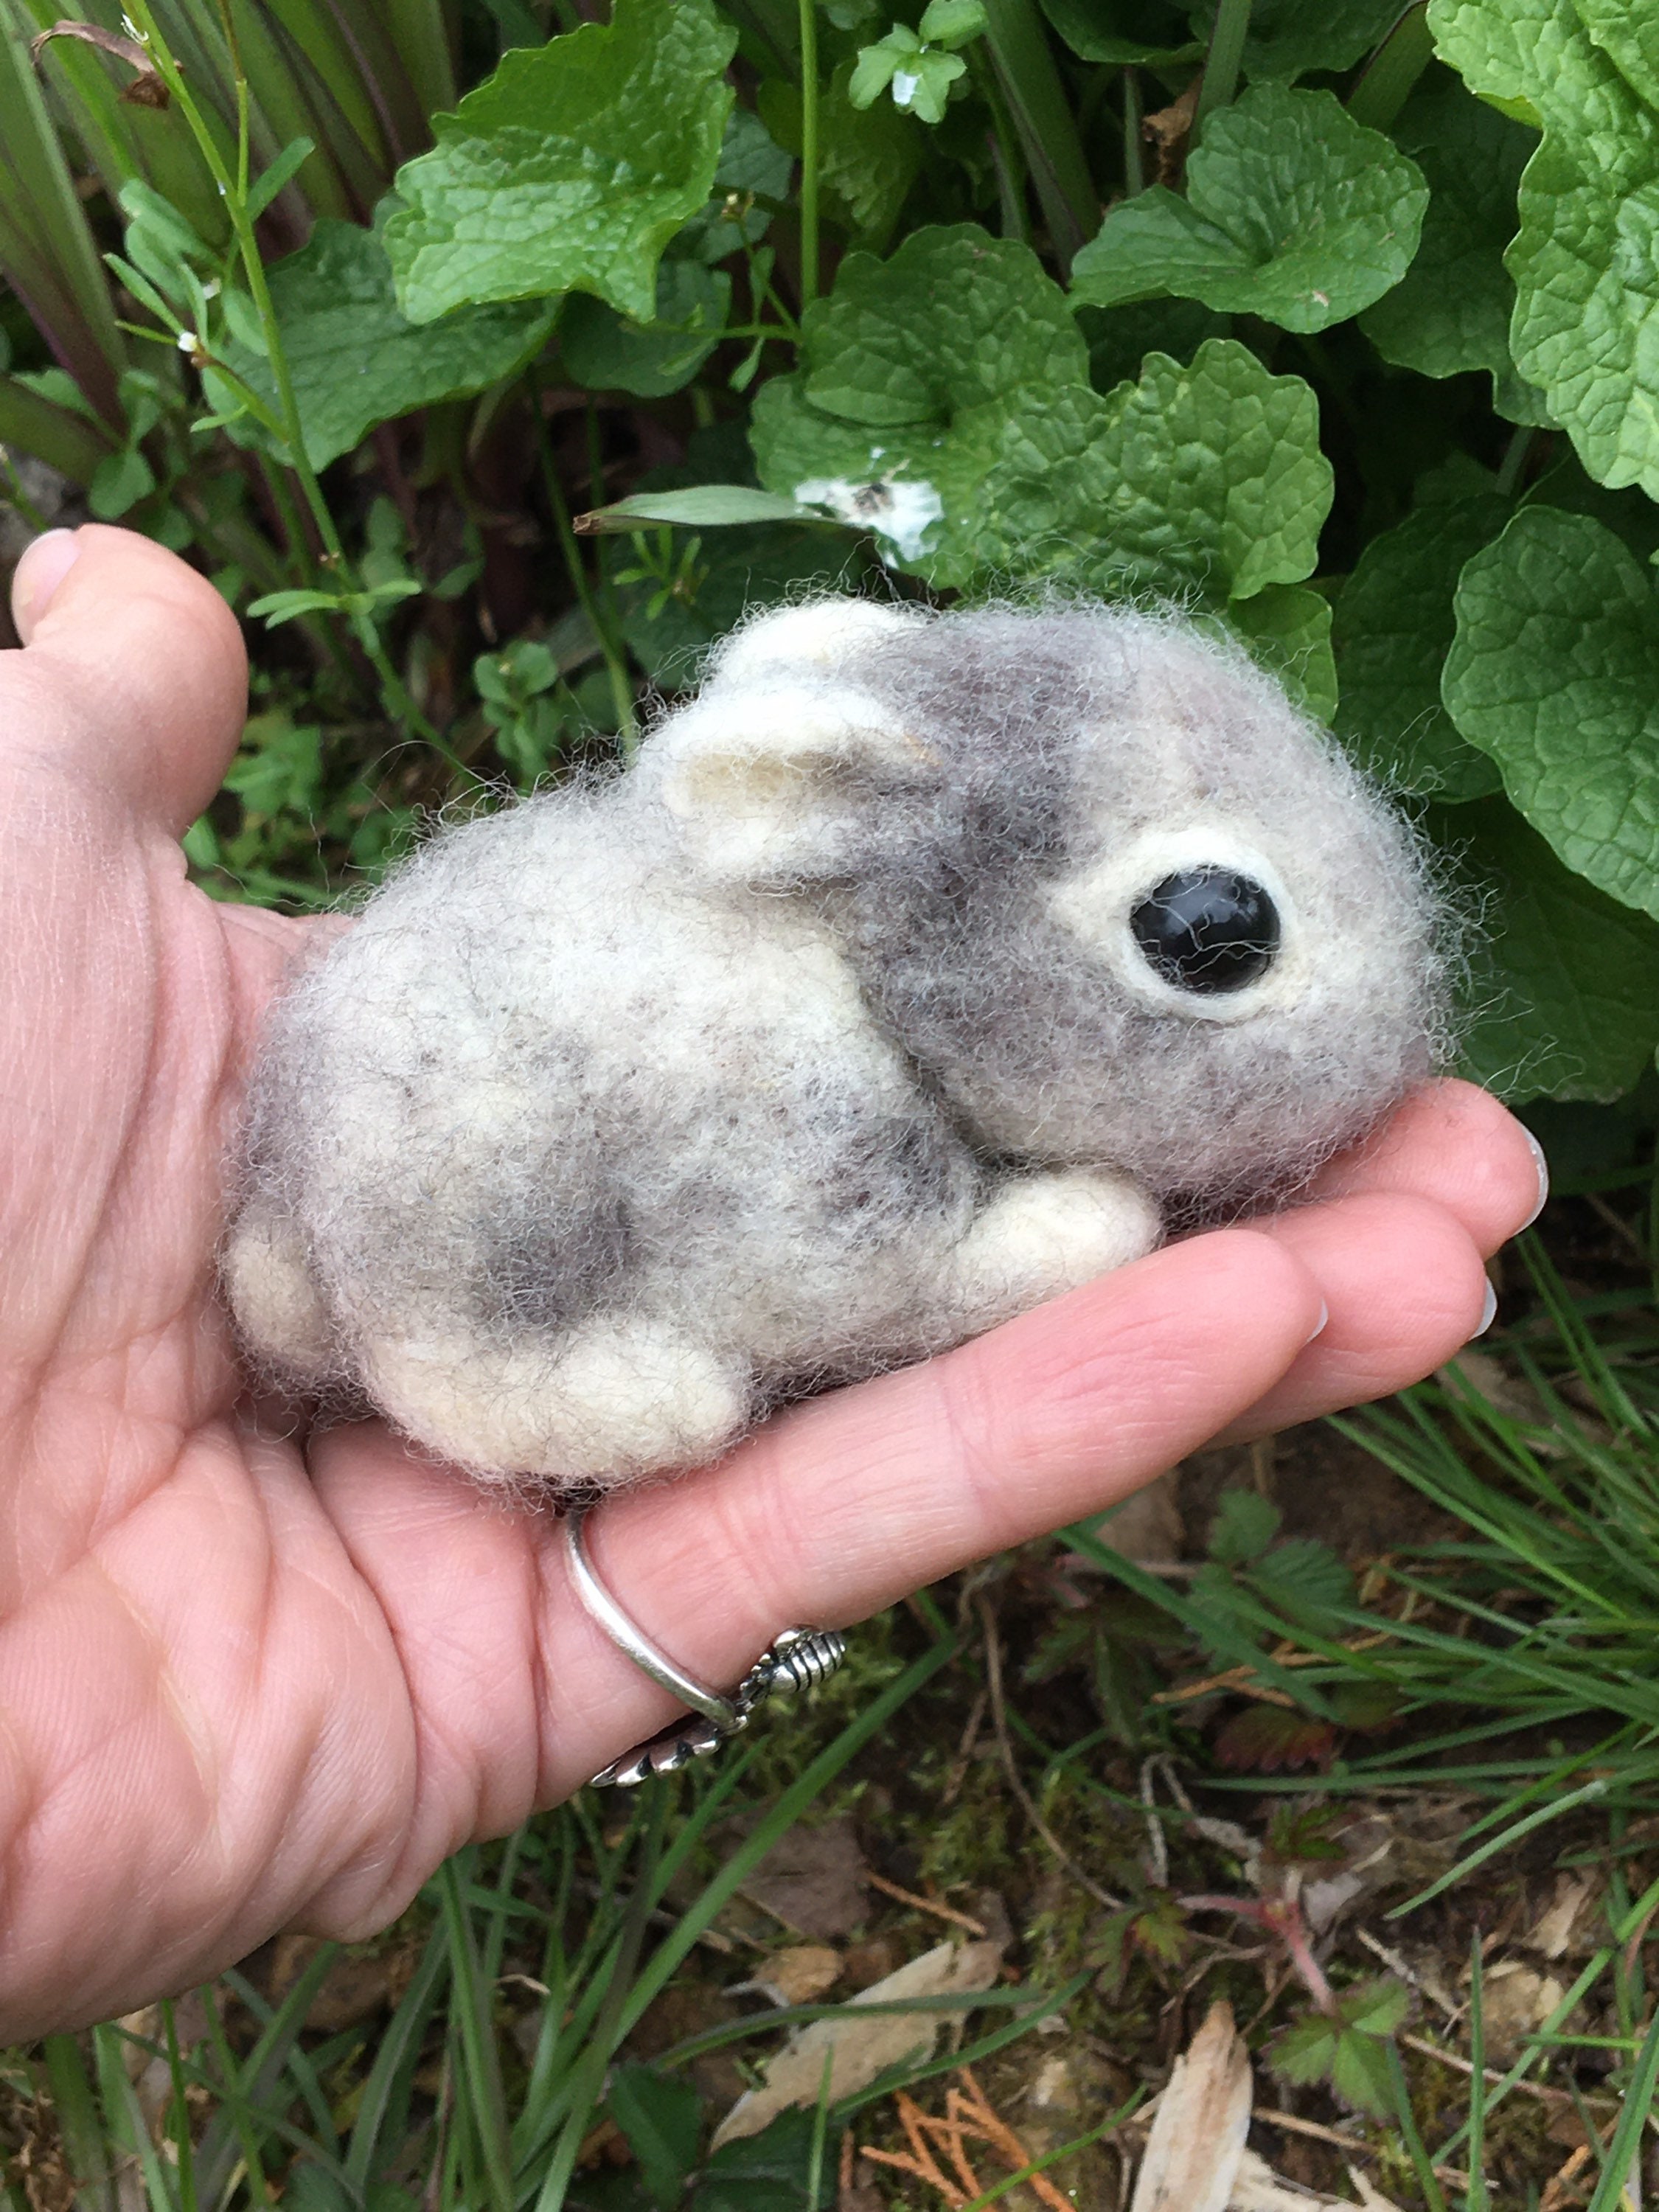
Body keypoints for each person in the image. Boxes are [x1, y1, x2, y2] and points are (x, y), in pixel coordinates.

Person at [0, 526, 1543, 2044]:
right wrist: (987, 1258)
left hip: (328, 1163)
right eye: (1207, 938)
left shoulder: (809, 977)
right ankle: (476, 1358)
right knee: (499, 1177)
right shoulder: (795, 1061)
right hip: (416, 1178)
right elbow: (821, 1261)